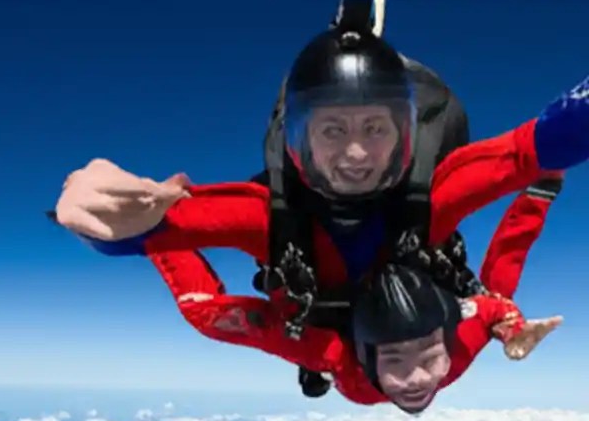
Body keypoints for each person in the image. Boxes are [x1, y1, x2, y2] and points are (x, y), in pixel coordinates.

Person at [53, 31, 589, 323]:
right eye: (332, 129)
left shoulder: (434, 195)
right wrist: (94, 212)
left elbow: (544, 141)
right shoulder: (267, 214)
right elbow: (145, 231)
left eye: (375, 127)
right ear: (298, 140)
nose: (356, 152)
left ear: (405, 132)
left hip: (396, 328)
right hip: (326, 336)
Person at [149, 178, 564, 412]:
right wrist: (510, 328)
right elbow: (496, 302)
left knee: (224, 316)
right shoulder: (449, 351)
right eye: (397, 361)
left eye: (426, 358)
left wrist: (152, 234)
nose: (418, 380)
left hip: (363, 321)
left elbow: (491, 307)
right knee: (497, 288)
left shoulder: (332, 354)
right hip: (362, 303)